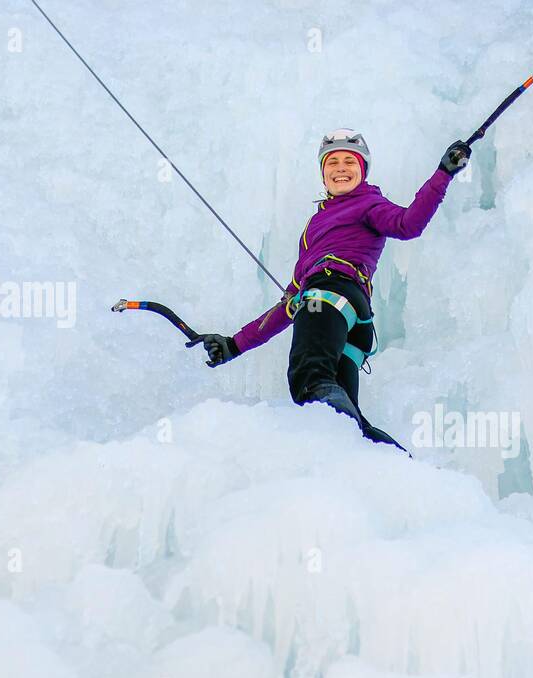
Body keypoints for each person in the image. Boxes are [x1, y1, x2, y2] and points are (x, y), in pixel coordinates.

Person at [188, 129, 471, 450]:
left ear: (363, 171)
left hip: (332, 295)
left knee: (311, 381)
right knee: (347, 423)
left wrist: (443, 174)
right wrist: (234, 344)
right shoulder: (313, 230)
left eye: (349, 162)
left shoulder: (368, 203)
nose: (340, 168)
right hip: (347, 320)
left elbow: (408, 224)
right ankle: (389, 464)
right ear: (322, 174)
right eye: (332, 162)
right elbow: (291, 306)